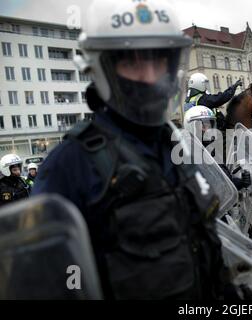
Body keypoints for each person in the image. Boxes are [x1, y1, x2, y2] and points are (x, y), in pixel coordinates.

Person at [32, 0, 232, 300]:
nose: (150, 75)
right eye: (133, 62)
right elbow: (45, 284)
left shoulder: (172, 145)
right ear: (104, 70)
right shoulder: (71, 165)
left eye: (158, 60)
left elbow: (206, 249)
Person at [183, 105, 252, 243]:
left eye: (210, 124)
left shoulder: (210, 150)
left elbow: (223, 180)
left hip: (223, 211)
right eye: (203, 126)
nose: (208, 129)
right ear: (192, 127)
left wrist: (240, 181)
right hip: (210, 218)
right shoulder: (189, 155)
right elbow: (210, 188)